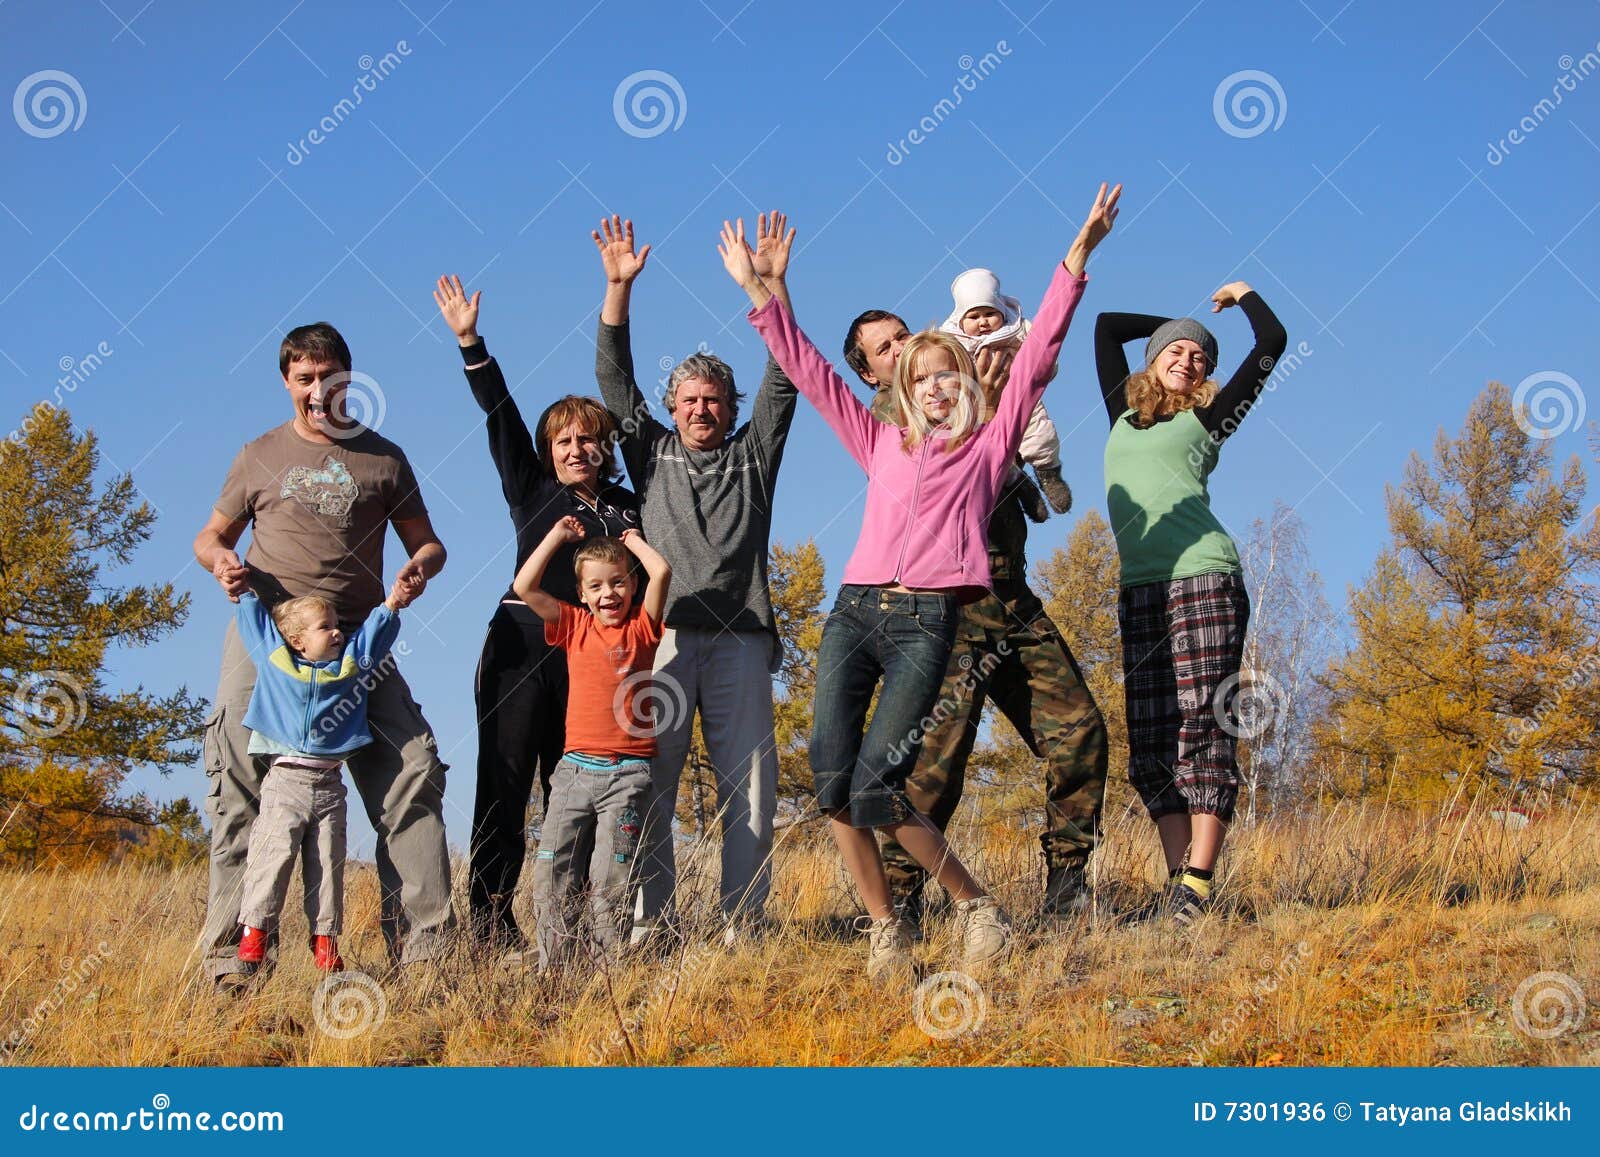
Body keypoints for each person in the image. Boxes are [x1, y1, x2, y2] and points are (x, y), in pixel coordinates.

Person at [728, 182, 1120, 977]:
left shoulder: (986, 444)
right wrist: (760, 292)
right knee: (831, 779)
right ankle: (886, 926)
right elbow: (809, 372)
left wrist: (1077, 257)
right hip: (852, 613)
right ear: (902, 389)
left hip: (925, 621)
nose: (937, 384)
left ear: (968, 383)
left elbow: (1038, 354)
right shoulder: (877, 442)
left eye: (949, 373)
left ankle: (976, 907)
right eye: (922, 376)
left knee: (880, 779)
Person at [193, 322, 455, 986]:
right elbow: (210, 536)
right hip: (269, 635)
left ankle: (426, 955)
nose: (317, 391)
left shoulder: (383, 458)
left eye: (328, 377)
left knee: (413, 765)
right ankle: (233, 963)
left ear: (347, 378)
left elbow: (429, 543)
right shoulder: (259, 453)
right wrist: (223, 561)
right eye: (304, 379)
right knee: (238, 784)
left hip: (355, 639)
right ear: (288, 382)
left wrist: (418, 569)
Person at [841, 309, 1109, 929]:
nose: (904, 350)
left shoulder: (958, 385)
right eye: (886, 349)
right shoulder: (891, 421)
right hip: (939, 608)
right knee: (935, 763)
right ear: (870, 374)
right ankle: (901, 904)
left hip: (1010, 595)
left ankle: (1067, 885)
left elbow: (1021, 479)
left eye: (907, 335)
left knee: (1080, 730)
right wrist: (986, 404)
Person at [590, 214, 797, 946]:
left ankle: (745, 923)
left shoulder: (755, 455)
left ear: (732, 410)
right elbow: (613, 379)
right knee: (652, 781)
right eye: (690, 400)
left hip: (742, 636)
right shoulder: (651, 453)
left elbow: (787, 373)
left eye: (715, 399)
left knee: (752, 792)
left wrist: (770, 282)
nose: (702, 408)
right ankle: (653, 922)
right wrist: (618, 289)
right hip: (666, 636)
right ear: (672, 410)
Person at [432, 275, 640, 952]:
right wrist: (470, 341)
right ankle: (490, 920)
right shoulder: (532, 489)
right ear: (549, 451)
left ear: (605, 447)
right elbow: (500, 416)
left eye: (588, 440)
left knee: (573, 785)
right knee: (506, 778)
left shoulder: (626, 508)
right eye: (564, 442)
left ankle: (570, 921)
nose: (577, 449)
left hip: (588, 656)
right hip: (522, 644)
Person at [1092, 281, 1287, 925]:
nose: (1189, 358)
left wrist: (1244, 297)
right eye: (1175, 350)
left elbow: (1271, 343)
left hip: (1204, 578)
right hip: (1138, 587)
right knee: (1151, 736)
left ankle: (1199, 882)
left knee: (1203, 722)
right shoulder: (1121, 411)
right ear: (1152, 361)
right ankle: (1178, 887)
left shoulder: (1210, 418)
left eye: (1201, 356)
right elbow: (1106, 322)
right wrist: (1175, 322)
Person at [232, 573, 420, 972]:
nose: (337, 632)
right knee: (273, 859)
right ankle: (255, 934)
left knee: (328, 867)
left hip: (330, 786)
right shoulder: (276, 661)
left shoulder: (350, 666)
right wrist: (244, 592)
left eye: (337, 625)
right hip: (285, 782)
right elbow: (255, 624)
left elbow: (373, 635)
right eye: (325, 627)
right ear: (298, 640)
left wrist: (394, 602)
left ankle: (325, 942)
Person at [511, 519, 670, 968]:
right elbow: (525, 585)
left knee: (612, 878)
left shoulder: (643, 629)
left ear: (631, 585)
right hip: (574, 773)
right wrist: (558, 537)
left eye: (618, 582)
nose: (609, 594)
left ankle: (608, 972)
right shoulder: (574, 626)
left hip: (629, 775)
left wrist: (634, 542)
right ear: (581, 594)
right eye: (596, 586)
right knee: (552, 869)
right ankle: (553, 964)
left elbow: (661, 573)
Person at [940, 267, 1072, 519]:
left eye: (990, 313)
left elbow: (1044, 351)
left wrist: (1042, 370)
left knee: (1039, 431)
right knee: (992, 448)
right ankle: (1018, 484)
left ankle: (1048, 472)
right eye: (974, 316)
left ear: (1001, 311)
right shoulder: (953, 341)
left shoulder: (1018, 329)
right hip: (978, 407)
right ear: (960, 319)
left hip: (1020, 395)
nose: (983, 322)